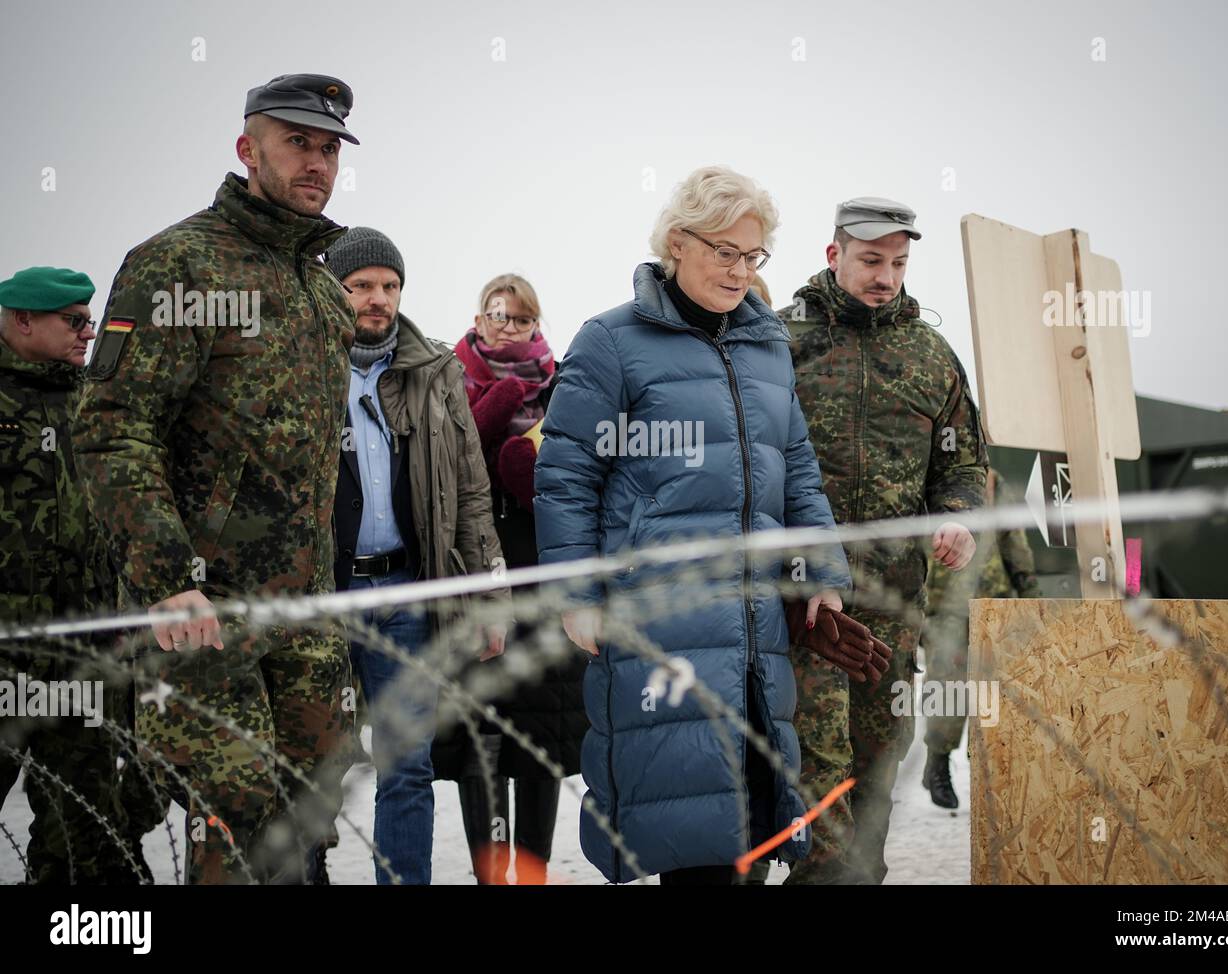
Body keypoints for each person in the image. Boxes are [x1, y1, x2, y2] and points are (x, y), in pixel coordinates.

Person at [73, 74, 361, 884]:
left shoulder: (320, 289)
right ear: (247, 149)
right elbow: (110, 428)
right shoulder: (180, 265)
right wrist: (168, 580)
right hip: (203, 610)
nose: (316, 163)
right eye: (297, 142)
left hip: (304, 609)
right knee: (237, 812)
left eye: (329, 147)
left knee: (308, 815)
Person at [534, 165, 854, 884]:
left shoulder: (768, 346)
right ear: (677, 243)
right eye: (725, 252)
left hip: (755, 628)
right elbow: (565, 477)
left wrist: (824, 571)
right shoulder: (611, 342)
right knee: (692, 831)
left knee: (757, 824)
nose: (741, 271)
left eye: (754, 256)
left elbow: (796, 466)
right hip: (661, 625)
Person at [779, 196, 988, 884]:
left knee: (876, 770)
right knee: (814, 763)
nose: (887, 278)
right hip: (804, 605)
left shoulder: (929, 355)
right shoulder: (781, 342)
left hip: (895, 607)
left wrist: (955, 513)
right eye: (872, 260)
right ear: (833, 254)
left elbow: (963, 461)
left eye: (899, 263)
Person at [324, 228, 508, 884]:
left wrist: (491, 597)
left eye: (390, 285)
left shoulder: (434, 371)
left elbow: (470, 494)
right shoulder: (300, 364)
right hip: (319, 603)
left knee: (407, 770)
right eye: (362, 286)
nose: (378, 299)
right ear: (332, 288)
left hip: (405, 595)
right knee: (311, 769)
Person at [0, 266, 161, 883]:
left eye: (90, 321)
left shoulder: (96, 401)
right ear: (22, 321)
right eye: (73, 322)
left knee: (84, 826)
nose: (87, 334)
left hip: (84, 650)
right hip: (9, 648)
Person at [433, 274, 586, 885]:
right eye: (497, 316)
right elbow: (440, 465)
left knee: (540, 733)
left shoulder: (559, 386)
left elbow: (571, 476)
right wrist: (491, 417)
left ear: (535, 324)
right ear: (478, 317)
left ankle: (535, 870)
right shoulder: (445, 378)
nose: (507, 327)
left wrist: (527, 468)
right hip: (469, 577)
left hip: (539, 571)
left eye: (520, 319)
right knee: (479, 734)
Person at [921, 469, 1039, 808]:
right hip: (943, 602)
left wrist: (1028, 589)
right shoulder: (927, 472)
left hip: (992, 601)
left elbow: (1011, 535)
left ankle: (986, 770)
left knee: (990, 692)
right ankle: (937, 763)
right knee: (946, 688)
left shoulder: (990, 480)